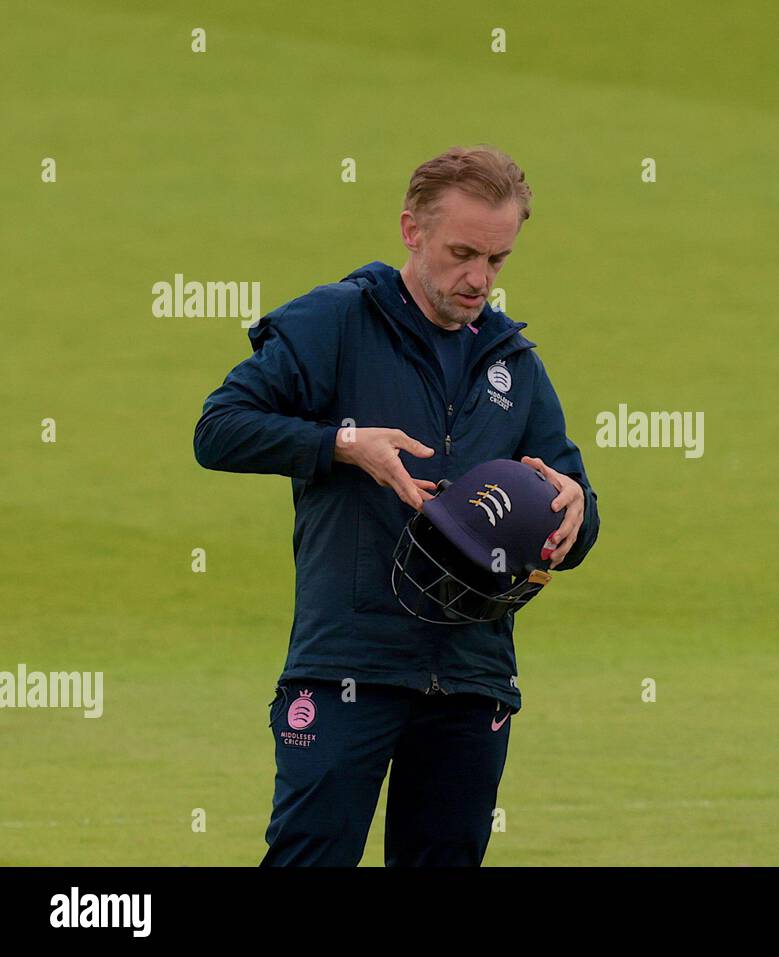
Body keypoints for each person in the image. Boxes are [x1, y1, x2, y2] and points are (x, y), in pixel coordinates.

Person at [194, 145, 599, 866]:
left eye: (498, 260)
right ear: (412, 230)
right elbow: (218, 428)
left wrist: (573, 508)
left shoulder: (513, 364)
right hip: (349, 660)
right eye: (462, 252)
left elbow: (578, 507)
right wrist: (344, 444)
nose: (478, 278)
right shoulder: (335, 322)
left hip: (472, 677)